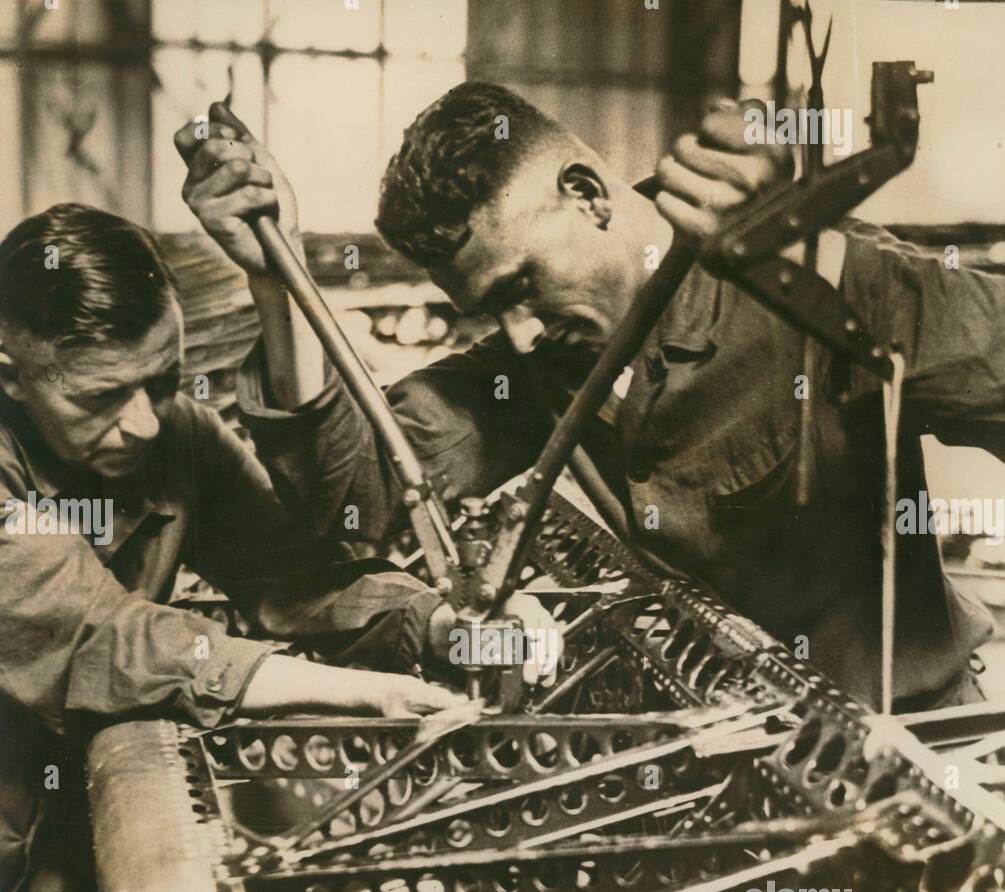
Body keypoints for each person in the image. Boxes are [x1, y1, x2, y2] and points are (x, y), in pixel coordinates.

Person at [0, 201, 483, 892]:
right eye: (99, 396)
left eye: (160, 381)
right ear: (10, 370)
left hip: (63, 880)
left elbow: (304, 570)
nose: (138, 423)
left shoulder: (170, 438)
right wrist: (341, 693)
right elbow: (101, 632)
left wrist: (438, 625)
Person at [178, 83, 1005, 714]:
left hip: (909, 734)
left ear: (589, 193)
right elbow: (354, 501)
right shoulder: (531, 365)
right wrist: (271, 276)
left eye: (521, 287)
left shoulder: (815, 283)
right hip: (744, 750)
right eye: (492, 310)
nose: (521, 333)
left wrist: (797, 258)